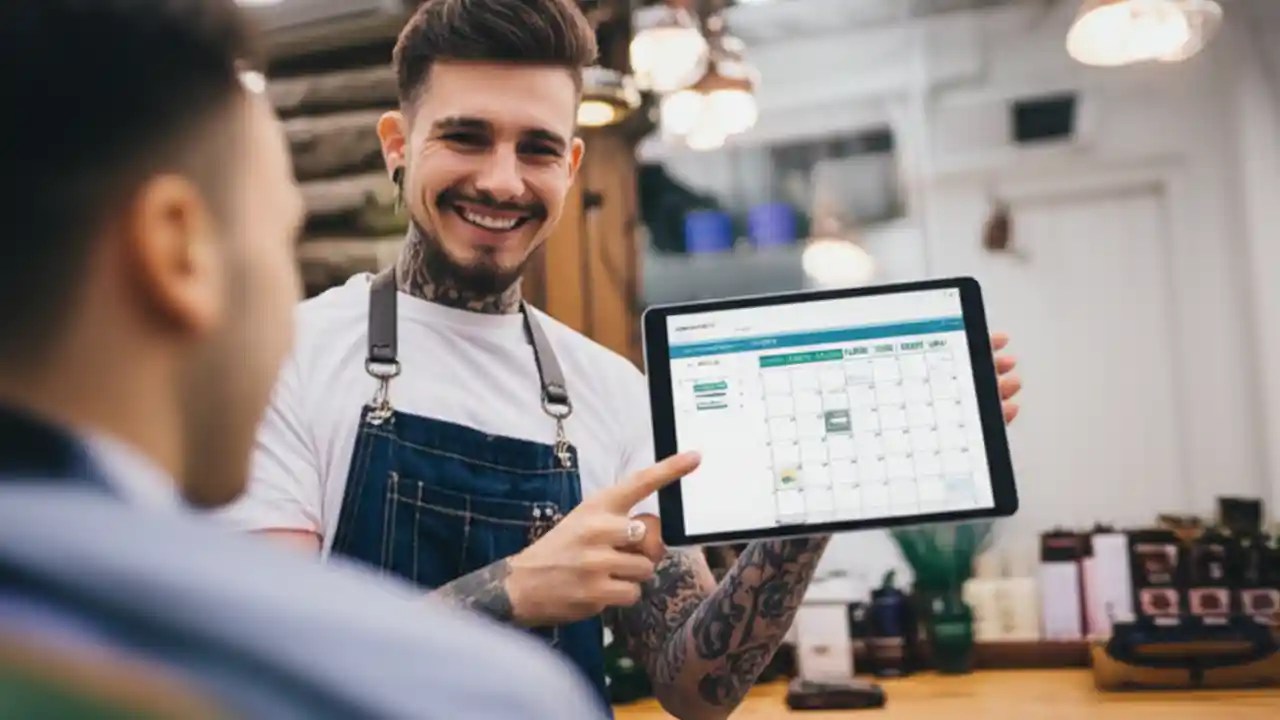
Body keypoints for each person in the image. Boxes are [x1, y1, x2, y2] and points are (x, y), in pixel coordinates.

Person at [222, 0, 1024, 718]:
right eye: (466, 137)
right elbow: (266, 667)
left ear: (569, 169)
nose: (502, 180)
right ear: (399, 145)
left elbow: (697, 683)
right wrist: (514, 593)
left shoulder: (610, 391)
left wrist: (820, 482)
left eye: (536, 149)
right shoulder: (288, 360)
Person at [0, 1, 611, 718]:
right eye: (281, 234)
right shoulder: (496, 697)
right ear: (176, 252)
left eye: (535, 148)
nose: (502, 181)